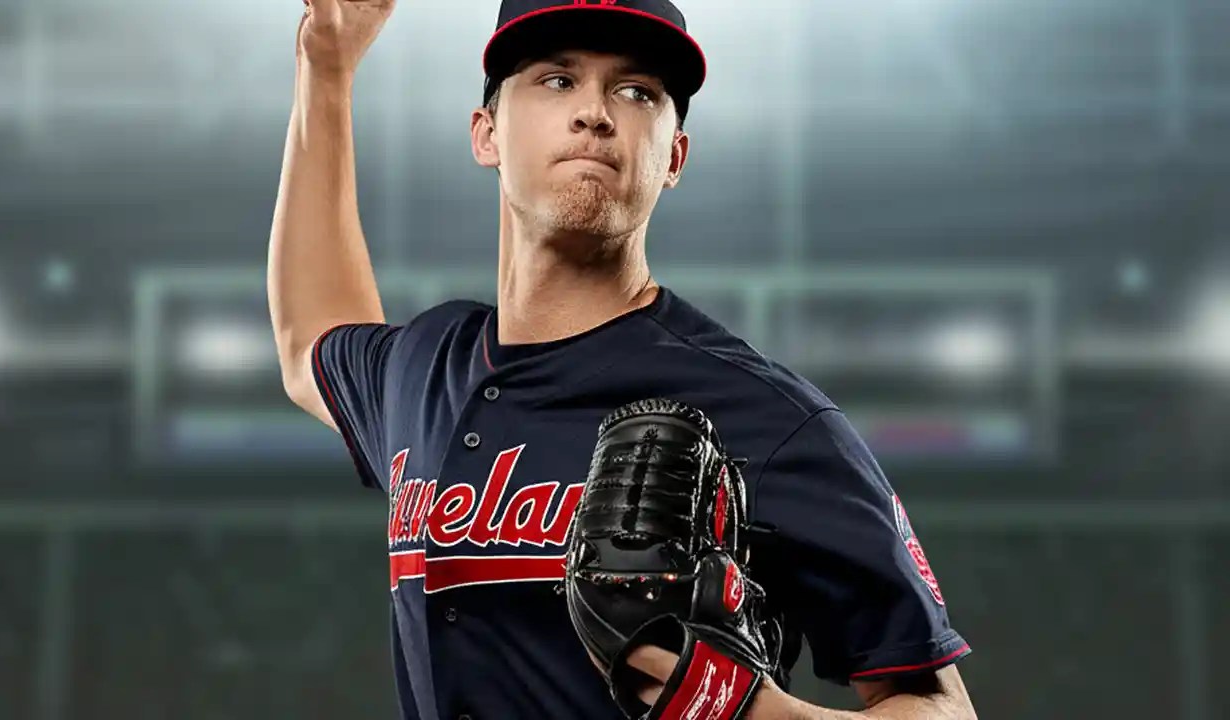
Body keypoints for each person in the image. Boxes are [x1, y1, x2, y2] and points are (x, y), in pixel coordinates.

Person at [268, 0, 978, 718]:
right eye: (556, 80)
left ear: (673, 157)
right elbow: (310, 342)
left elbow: (940, 708)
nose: (595, 113)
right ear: (486, 135)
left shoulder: (768, 417)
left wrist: (747, 712)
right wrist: (325, 70)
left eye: (636, 92)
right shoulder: (425, 366)